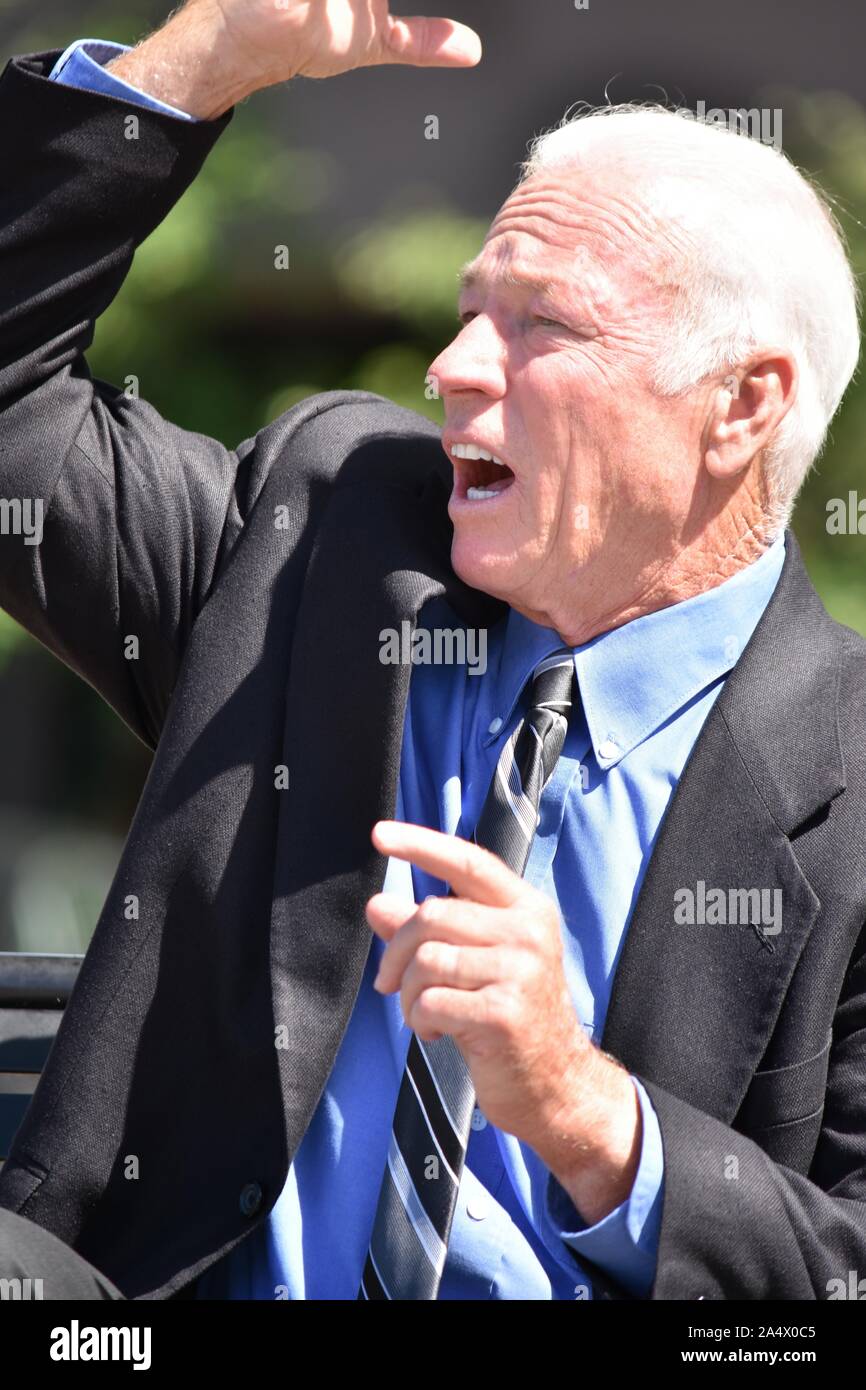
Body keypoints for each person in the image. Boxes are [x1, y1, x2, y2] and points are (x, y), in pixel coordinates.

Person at [0, 0, 864, 1301]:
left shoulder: (846, 781)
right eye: (469, 311)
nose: (454, 366)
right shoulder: (326, 536)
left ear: (742, 403)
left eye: (542, 325)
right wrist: (201, 62)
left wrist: (583, 1112)